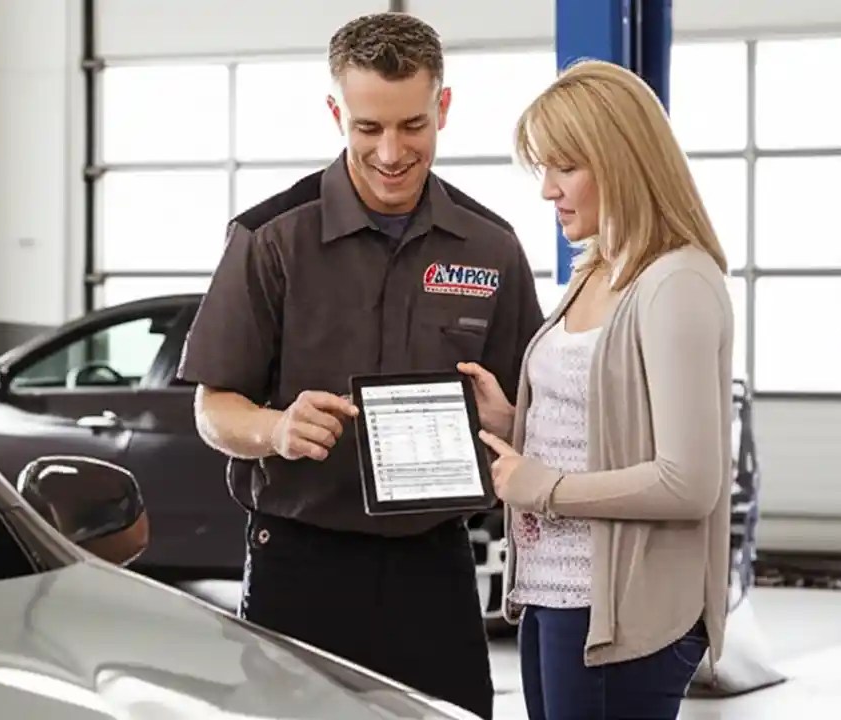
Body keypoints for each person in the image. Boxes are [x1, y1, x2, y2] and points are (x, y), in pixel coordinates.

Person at [176, 11, 544, 719]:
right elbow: (213, 407)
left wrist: (514, 424)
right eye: (367, 128)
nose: (391, 152)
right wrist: (276, 430)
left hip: (433, 562)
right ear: (335, 112)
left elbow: (528, 413)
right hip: (300, 560)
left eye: (412, 125)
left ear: (443, 106)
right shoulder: (269, 239)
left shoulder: (491, 248)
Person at [459, 58, 735, 719]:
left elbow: (689, 481)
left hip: (619, 612)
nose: (548, 190)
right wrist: (512, 420)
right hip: (554, 596)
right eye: (543, 170)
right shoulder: (595, 272)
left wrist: (545, 488)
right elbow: (598, 426)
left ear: (620, 161)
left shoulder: (676, 284)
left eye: (565, 167)